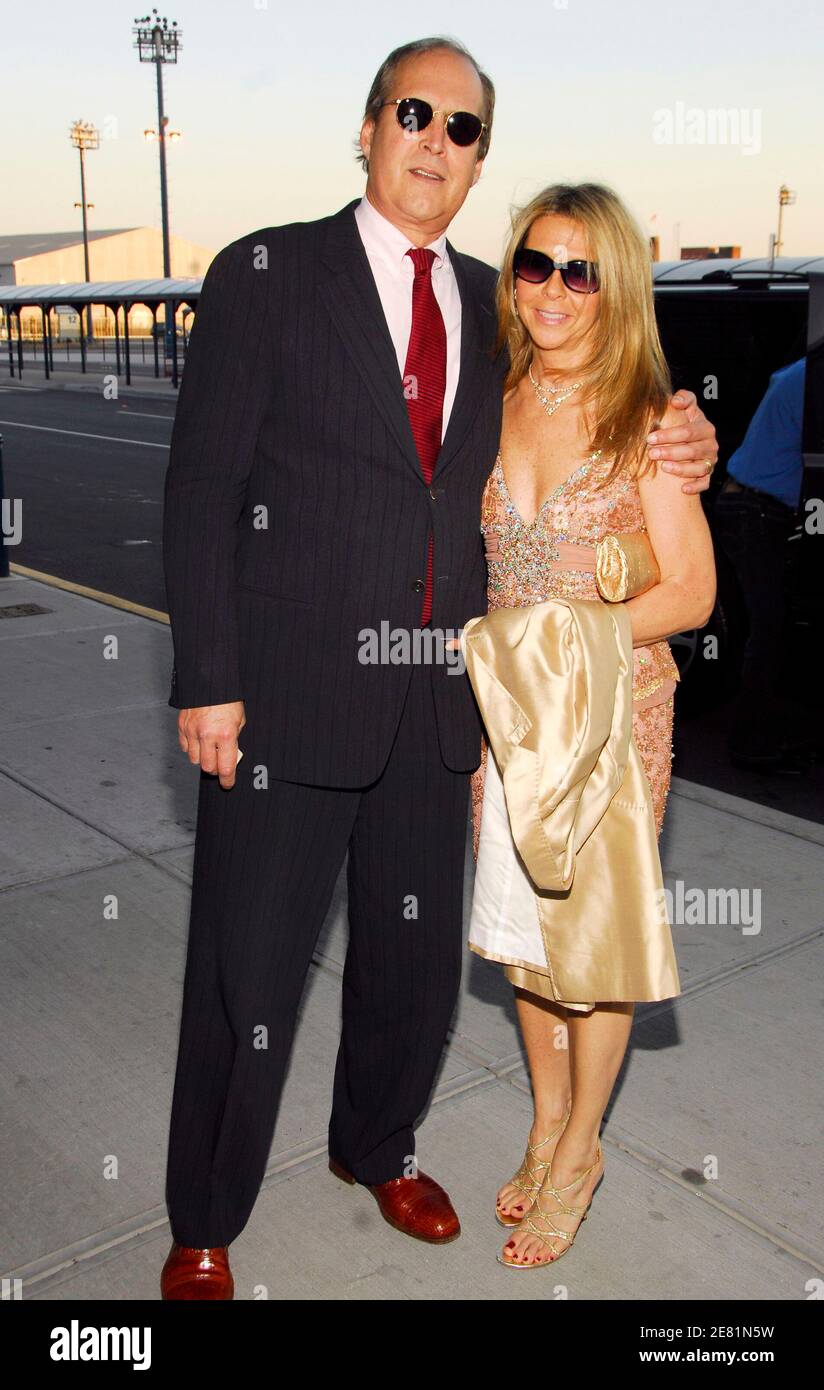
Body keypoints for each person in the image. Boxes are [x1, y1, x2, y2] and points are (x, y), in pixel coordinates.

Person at [159, 37, 718, 1299]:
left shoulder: (490, 303)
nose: (434, 140)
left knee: (411, 969)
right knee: (245, 965)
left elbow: (607, 408)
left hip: (447, 711)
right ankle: (203, 1217)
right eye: (413, 113)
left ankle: (376, 1144)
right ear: (367, 129)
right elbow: (201, 489)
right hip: (286, 696)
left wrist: (684, 426)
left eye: (462, 127)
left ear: (477, 161)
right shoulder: (266, 272)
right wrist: (207, 674)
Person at [466, 183, 716, 1268]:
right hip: (506, 721)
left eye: (581, 270)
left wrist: (571, 631)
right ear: (511, 275)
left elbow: (692, 594)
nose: (555, 291)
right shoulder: (493, 393)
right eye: (535, 264)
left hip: (611, 720)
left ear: (616, 285)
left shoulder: (649, 416)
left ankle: (580, 1151)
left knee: (594, 947)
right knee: (527, 945)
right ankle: (542, 1119)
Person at [713, 359, 805, 768]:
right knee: (768, 626)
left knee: (766, 624)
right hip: (755, 509)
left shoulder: (799, 372)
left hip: (751, 504)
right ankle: (748, 741)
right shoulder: (808, 377)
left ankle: (757, 729)